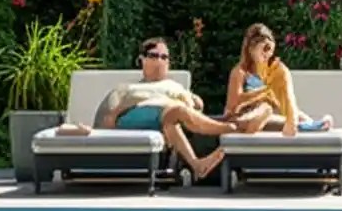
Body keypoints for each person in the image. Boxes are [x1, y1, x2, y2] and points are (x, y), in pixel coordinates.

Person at [57, 37, 233, 179]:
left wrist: (193, 99)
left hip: (165, 119)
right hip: (131, 120)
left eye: (164, 57)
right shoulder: (128, 87)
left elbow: (197, 106)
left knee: (173, 120)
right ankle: (225, 129)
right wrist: (111, 118)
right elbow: (110, 114)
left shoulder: (175, 86)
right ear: (142, 60)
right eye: (153, 55)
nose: (159, 60)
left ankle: (197, 165)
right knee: (176, 111)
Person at [223, 23, 333, 137]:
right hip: (244, 115)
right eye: (264, 49)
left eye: (270, 50)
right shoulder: (240, 72)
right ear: (251, 48)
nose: (268, 54)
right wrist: (263, 93)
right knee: (266, 111)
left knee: (290, 112)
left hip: (268, 111)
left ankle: (310, 123)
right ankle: (308, 126)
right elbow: (233, 104)